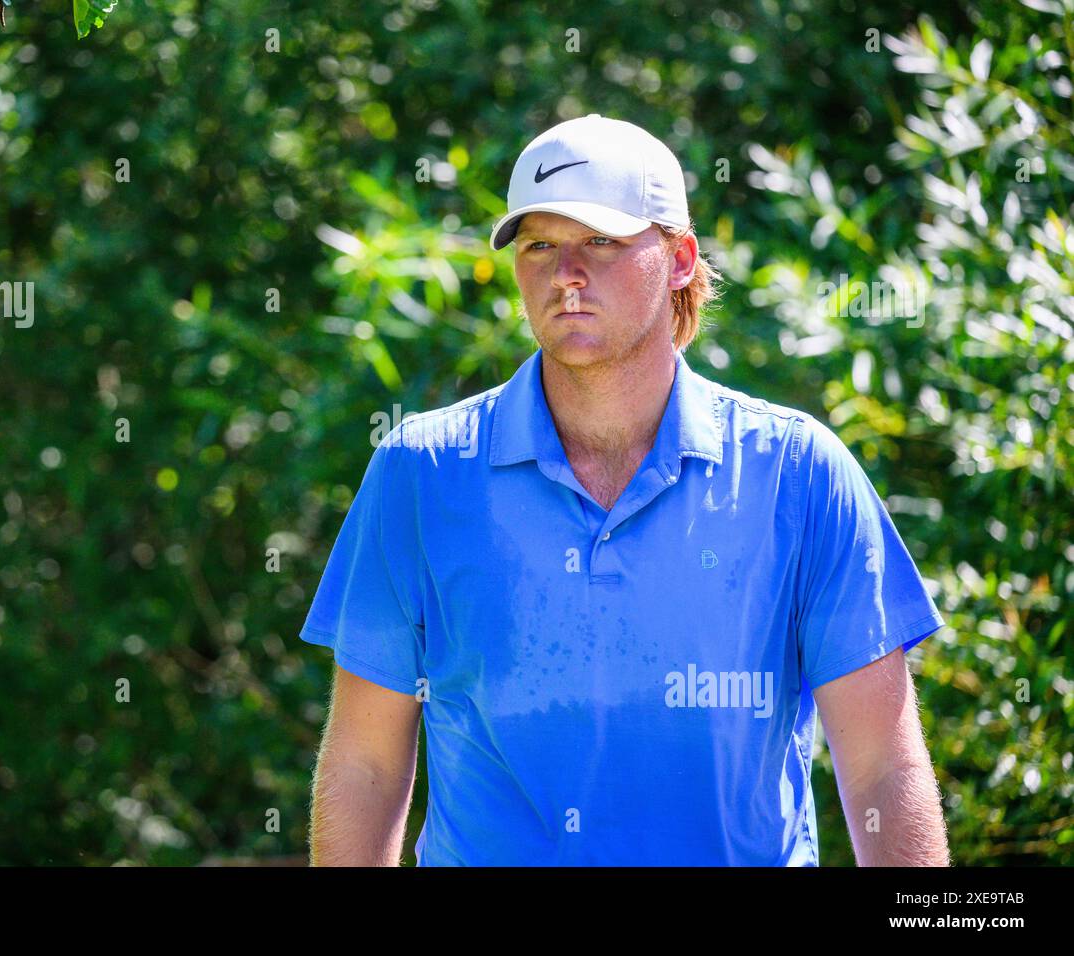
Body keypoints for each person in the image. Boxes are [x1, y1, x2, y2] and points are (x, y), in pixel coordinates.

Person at [300, 114, 949, 866]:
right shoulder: (419, 473)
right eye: (539, 244)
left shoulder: (800, 474)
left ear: (679, 259)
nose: (565, 273)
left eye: (601, 241)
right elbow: (365, 766)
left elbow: (882, 769)